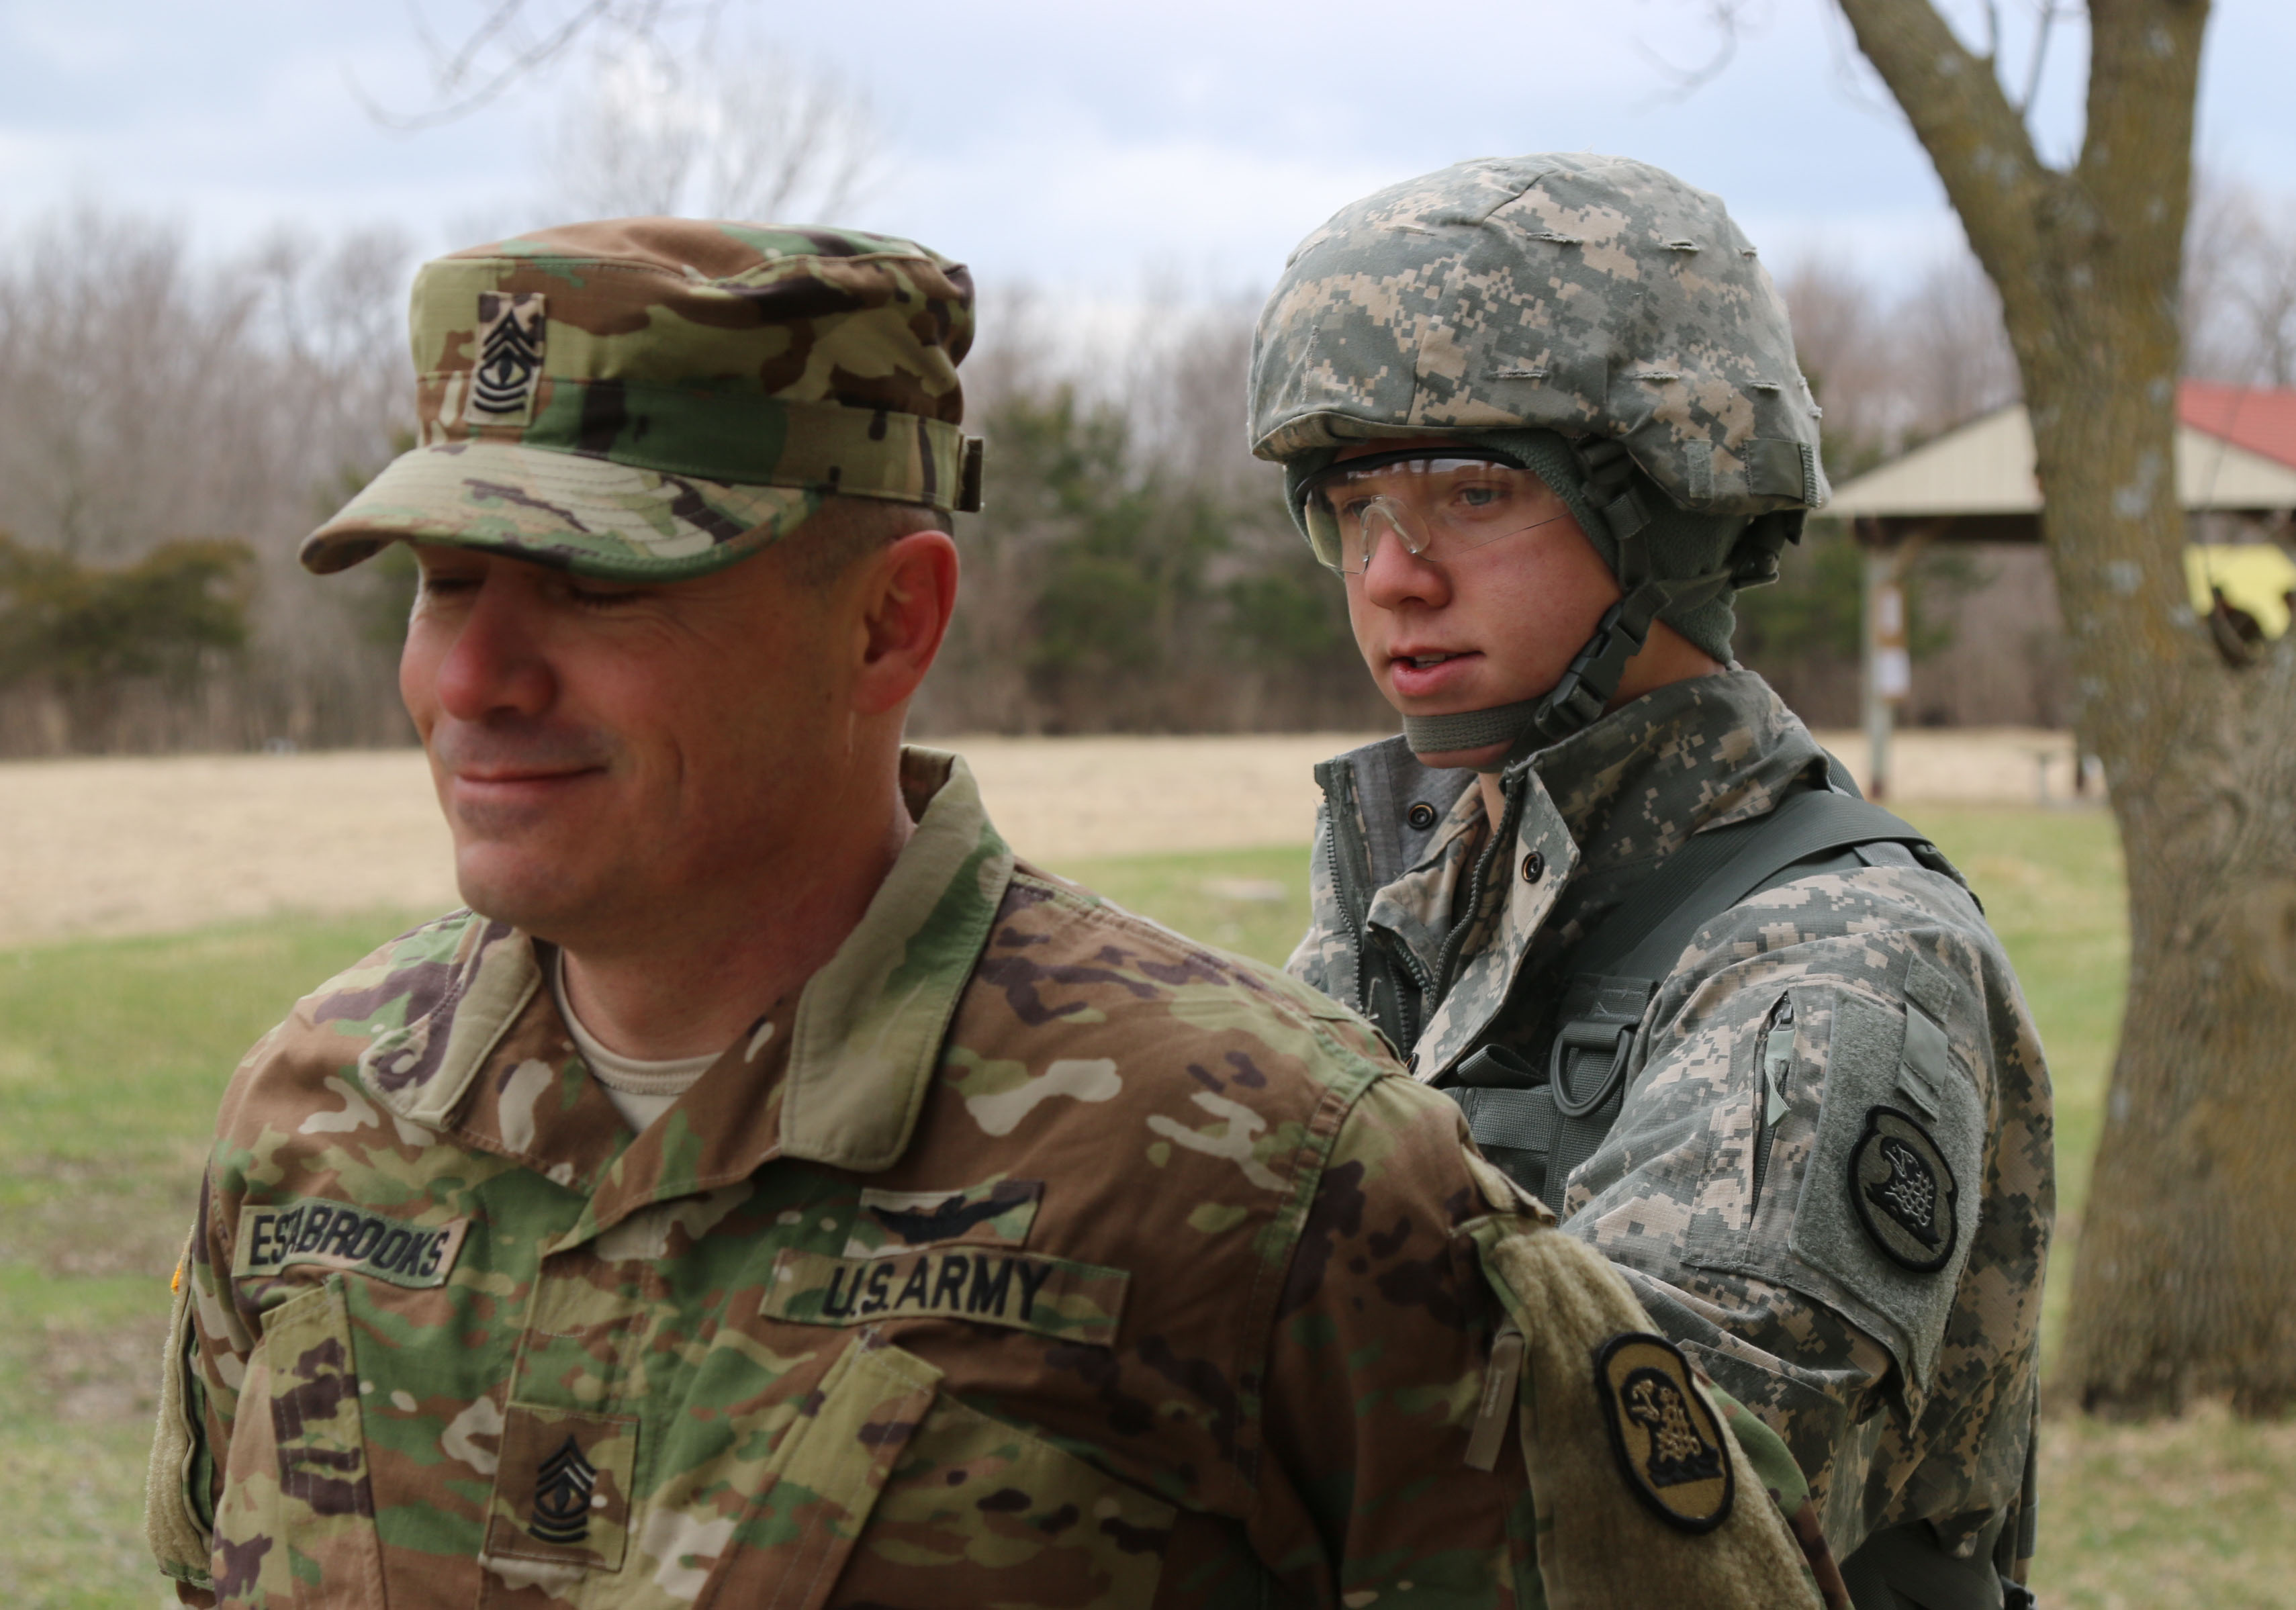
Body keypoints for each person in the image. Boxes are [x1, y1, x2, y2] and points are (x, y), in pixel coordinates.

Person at [144, 218, 1831, 1609]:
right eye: (445, 584)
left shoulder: (1269, 1169)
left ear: (890, 624)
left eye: (598, 585)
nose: (473, 680)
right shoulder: (318, 1119)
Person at [1249, 156, 2054, 1610]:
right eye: (1351, 503)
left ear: (1673, 503)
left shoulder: (1836, 958)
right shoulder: (1424, 898)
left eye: (1473, 492)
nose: (1389, 575)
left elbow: (1645, 1516)